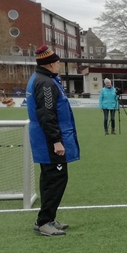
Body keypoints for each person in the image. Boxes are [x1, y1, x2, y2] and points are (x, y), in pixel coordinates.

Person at [26, 45, 80, 237]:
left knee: (49, 178)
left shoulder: (42, 79)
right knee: (56, 179)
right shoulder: (46, 83)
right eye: (57, 62)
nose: (58, 65)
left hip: (44, 137)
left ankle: (47, 217)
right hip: (49, 139)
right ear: (49, 64)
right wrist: (56, 141)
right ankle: (44, 221)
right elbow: (47, 114)